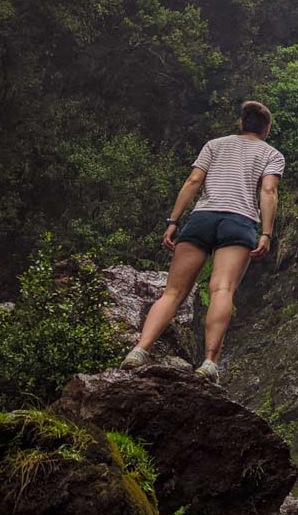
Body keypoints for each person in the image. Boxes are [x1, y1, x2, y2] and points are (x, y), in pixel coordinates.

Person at [121, 100, 285, 383]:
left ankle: (139, 350)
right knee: (222, 289)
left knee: (172, 293)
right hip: (240, 220)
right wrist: (266, 233)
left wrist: (173, 221)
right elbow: (268, 192)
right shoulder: (272, 154)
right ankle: (209, 363)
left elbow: (193, 181)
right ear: (267, 128)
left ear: (240, 123)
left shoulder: (215, 145)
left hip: (203, 218)